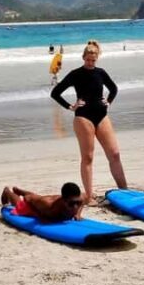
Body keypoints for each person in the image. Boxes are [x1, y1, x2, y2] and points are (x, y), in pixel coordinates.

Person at [51, 39, 127, 202]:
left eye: (93, 60)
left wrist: (109, 100)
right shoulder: (75, 74)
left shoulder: (101, 72)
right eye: (88, 59)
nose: (91, 62)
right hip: (83, 117)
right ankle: (89, 196)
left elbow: (113, 88)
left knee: (114, 154)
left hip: (102, 115)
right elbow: (55, 93)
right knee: (88, 157)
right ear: (83, 57)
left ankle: (125, 191)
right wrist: (71, 106)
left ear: (97, 58)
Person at [1, 182, 84, 221]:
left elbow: (82, 201)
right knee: (20, 205)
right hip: (32, 203)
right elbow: (28, 199)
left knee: (37, 199)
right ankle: (7, 192)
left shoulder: (79, 198)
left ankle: (20, 191)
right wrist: (39, 215)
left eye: (78, 203)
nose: (75, 207)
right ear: (63, 200)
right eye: (71, 204)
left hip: (39, 200)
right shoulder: (48, 205)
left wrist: (78, 214)